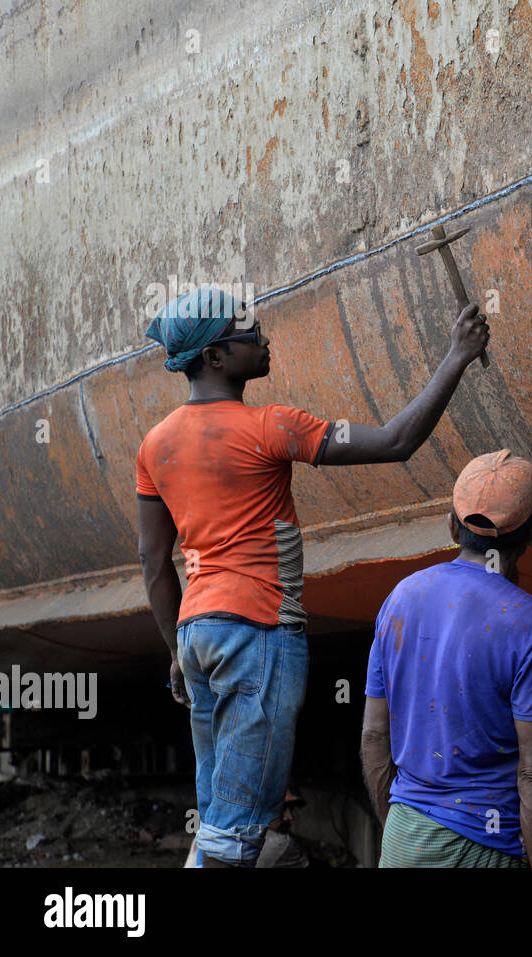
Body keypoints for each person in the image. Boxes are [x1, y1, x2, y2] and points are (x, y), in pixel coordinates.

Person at [137, 285, 489, 868]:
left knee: (218, 816)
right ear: (214, 357)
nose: (265, 338)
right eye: (248, 335)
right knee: (240, 830)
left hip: (197, 635)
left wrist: (175, 651)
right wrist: (455, 355)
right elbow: (397, 441)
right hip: (259, 632)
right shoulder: (272, 427)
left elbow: (153, 561)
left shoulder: (155, 444)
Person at [361, 450, 532, 867]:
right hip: (486, 844)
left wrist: (397, 826)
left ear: (452, 525)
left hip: (403, 836)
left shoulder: (401, 597)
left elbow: (374, 737)